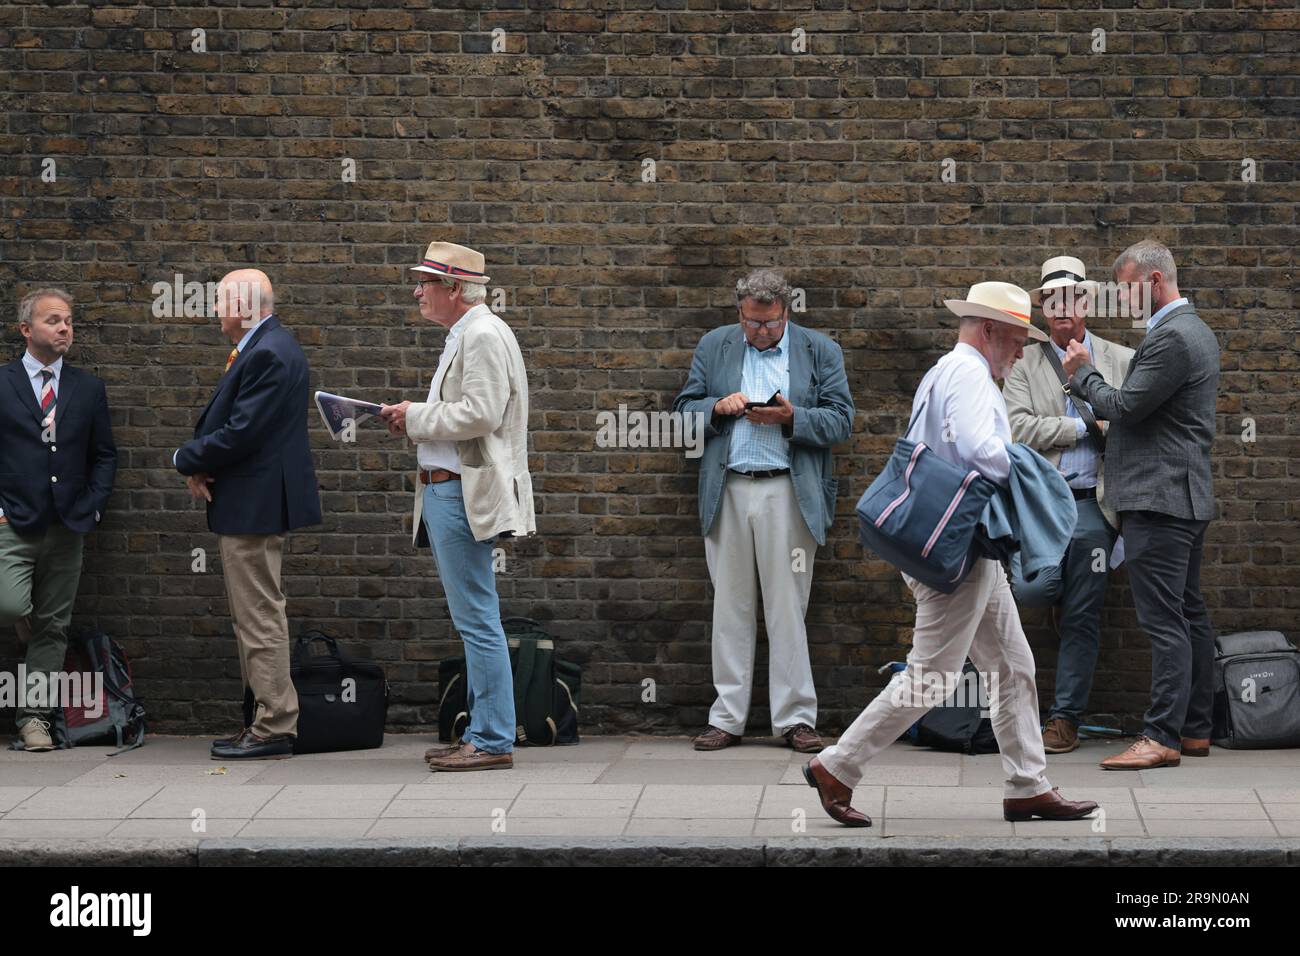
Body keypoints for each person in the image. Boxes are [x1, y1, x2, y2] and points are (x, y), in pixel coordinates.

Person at [804, 282, 1098, 826]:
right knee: (933, 676)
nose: (1018, 352)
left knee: (1014, 667)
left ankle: (1027, 785)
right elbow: (975, 450)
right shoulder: (968, 374)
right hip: (959, 550)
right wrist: (1031, 470)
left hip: (965, 546)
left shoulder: (948, 370)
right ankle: (837, 765)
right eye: (1014, 340)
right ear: (987, 330)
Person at [673, 269, 854, 753]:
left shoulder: (819, 350)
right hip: (729, 488)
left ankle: (795, 718)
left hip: (788, 492)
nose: (761, 332)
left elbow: (842, 420)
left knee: (787, 608)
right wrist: (716, 408)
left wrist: (792, 417)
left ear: (786, 312)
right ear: (740, 313)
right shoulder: (715, 346)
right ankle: (727, 717)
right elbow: (681, 412)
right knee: (729, 607)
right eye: (752, 323)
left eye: (770, 324)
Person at [1062, 240, 1220, 770]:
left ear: (1153, 281)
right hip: (1184, 497)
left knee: (1163, 621)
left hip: (1159, 498)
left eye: (1127, 289)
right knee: (1189, 613)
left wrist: (1082, 372)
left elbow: (1125, 408)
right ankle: (1195, 730)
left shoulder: (1172, 338)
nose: (1124, 301)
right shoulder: (1193, 330)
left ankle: (1161, 738)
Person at [380, 241, 535, 773]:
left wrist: (415, 415)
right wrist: (416, 417)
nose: (417, 290)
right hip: (448, 488)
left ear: (454, 288)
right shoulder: (468, 333)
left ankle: (491, 740)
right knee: (475, 617)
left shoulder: (483, 334)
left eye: (426, 282)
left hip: (461, 492)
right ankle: (483, 730)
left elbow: (481, 413)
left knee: (477, 620)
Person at [174, 269, 321, 760]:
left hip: (253, 507)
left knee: (258, 616)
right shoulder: (266, 347)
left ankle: (275, 725)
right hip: (246, 502)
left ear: (242, 306)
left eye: (219, 301)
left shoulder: (268, 353)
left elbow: (241, 433)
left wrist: (186, 459)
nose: (214, 310)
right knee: (253, 615)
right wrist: (204, 464)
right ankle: (260, 719)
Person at [1003, 256, 1134, 754]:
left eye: (1071, 299)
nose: (1062, 309)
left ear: (1085, 303)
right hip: (1041, 501)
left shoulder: (1121, 359)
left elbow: (1132, 422)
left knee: (1084, 615)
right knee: (1033, 590)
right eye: (1051, 302)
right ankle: (1059, 594)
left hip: (1092, 505)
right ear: (1042, 311)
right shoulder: (1025, 364)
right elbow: (1017, 428)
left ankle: (1065, 718)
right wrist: (1084, 427)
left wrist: (1104, 425)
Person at [0, 288, 116, 752]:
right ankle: (22, 617)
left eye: (68, 320)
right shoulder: (3, 382)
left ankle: (34, 719)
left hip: (69, 526)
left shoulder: (88, 388)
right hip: (13, 523)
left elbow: (104, 454)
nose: (64, 327)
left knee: (53, 627)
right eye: (53, 321)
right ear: (26, 329)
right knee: (10, 606)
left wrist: (93, 503)